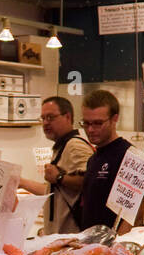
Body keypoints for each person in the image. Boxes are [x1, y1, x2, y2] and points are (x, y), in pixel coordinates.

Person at [77, 90, 144, 232]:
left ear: (114, 119)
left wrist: (114, 250)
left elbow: (134, 217)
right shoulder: (93, 159)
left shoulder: (132, 158)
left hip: (111, 249)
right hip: (88, 244)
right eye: (86, 123)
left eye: (98, 123)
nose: (91, 129)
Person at [18, 96, 92, 234]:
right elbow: (54, 190)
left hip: (71, 239)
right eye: (43, 118)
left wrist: (59, 177)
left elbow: (90, 182)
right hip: (59, 238)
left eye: (51, 117)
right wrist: (22, 182)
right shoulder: (62, 146)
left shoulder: (75, 145)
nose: (45, 123)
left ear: (68, 117)